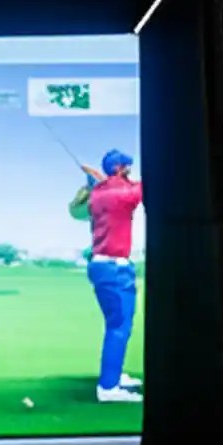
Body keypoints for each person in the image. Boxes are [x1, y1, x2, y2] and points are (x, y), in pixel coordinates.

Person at [79, 149, 143, 403]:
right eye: (127, 166)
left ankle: (114, 374)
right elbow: (146, 188)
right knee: (120, 327)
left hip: (101, 266)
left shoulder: (97, 194)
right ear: (121, 169)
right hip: (115, 269)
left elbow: (107, 187)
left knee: (117, 325)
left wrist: (101, 179)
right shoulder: (125, 192)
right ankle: (109, 387)